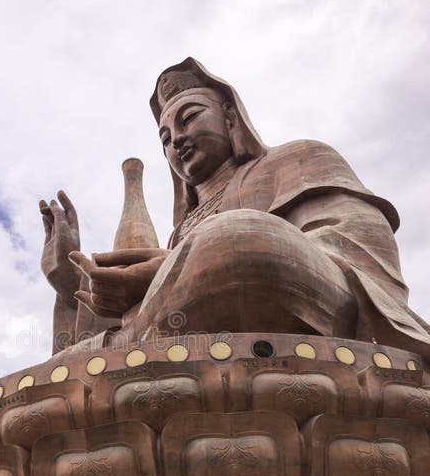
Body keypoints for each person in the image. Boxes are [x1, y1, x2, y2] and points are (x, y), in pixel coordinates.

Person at [40, 57, 430, 358]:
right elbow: (163, 304)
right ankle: (122, 351)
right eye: (165, 138)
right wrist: (70, 288)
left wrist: (172, 267)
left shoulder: (300, 158)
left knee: (236, 238)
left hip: (301, 308)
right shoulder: (181, 232)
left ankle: (123, 352)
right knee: (70, 353)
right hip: (185, 338)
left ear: (229, 116)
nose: (177, 139)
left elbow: (365, 256)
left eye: (190, 118)